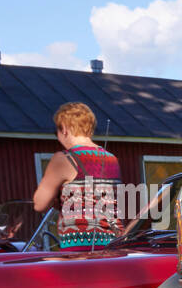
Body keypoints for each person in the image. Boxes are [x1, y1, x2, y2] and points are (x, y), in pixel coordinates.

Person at [33, 102, 122, 249]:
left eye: (57, 132)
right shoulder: (112, 158)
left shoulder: (64, 159)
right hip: (113, 243)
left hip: (80, 246)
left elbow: (39, 204)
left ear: (65, 129)